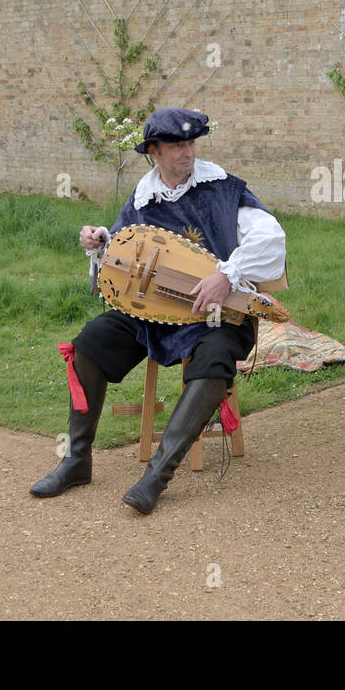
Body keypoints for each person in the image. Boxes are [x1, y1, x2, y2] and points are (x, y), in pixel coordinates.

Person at [30, 107, 286, 514]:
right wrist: (100, 243)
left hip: (219, 313)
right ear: (153, 151)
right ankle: (77, 460)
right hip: (153, 315)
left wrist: (227, 273)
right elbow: (124, 256)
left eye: (191, 143)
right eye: (176, 146)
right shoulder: (143, 196)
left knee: (215, 358)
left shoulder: (222, 188)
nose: (187, 153)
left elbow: (272, 240)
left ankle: (156, 475)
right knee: (88, 346)